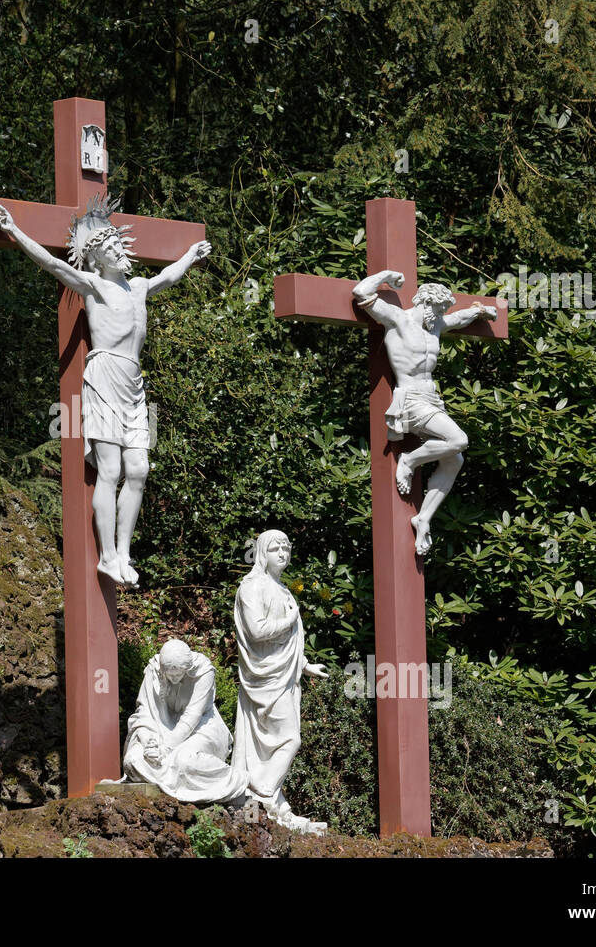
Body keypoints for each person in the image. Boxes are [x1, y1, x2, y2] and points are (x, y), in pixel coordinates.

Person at [0, 196, 210, 588]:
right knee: (111, 469)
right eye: (109, 248)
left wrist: (190, 255)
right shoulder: (93, 286)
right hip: (104, 375)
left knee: (138, 469)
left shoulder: (138, 287)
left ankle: (124, 551)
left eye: (119, 245)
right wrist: (14, 231)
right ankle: (106, 555)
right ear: (95, 260)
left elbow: (169, 277)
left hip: (136, 384)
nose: (119, 252)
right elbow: (53, 264)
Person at [351, 270, 496, 555]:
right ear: (425, 304)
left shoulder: (436, 326)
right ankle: (409, 460)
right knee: (459, 440)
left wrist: (481, 312)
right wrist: (386, 276)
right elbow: (360, 293)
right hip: (412, 400)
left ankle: (423, 518)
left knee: (455, 460)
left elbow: (459, 318)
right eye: (439, 308)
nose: (442, 315)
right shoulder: (398, 319)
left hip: (432, 399)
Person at [231, 529, 329, 832]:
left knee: (273, 745)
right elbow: (258, 632)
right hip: (263, 678)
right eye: (276, 549)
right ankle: (261, 794)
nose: (283, 554)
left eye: (286, 549)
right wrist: (290, 618)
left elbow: (283, 645)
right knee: (290, 738)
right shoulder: (251, 587)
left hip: (283, 675)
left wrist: (303, 664)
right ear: (262, 552)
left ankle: (269, 802)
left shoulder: (283, 590)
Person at [121, 639, 247, 803]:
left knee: (184, 761)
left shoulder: (203, 671)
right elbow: (145, 711)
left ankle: (234, 780)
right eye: (170, 675)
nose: (174, 679)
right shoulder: (154, 670)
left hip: (201, 728)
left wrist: (165, 749)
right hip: (159, 728)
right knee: (134, 760)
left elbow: (192, 715)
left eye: (179, 674)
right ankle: (162, 775)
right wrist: (149, 742)